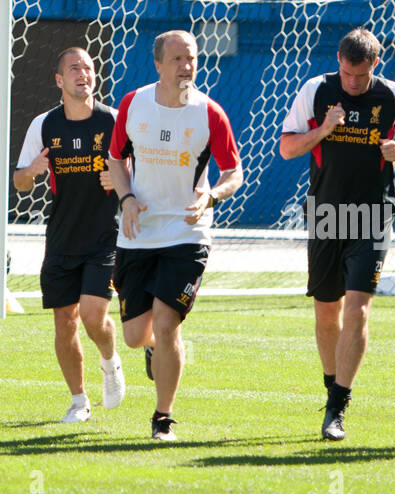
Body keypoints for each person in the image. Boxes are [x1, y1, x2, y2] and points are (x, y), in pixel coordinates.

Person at [280, 28, 395, 441]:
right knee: (327, 312)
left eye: (359, 76)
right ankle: (332, 388)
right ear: (339, 63)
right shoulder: (317, 90)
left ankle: (338, 406)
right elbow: (287, 148)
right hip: (327, 212)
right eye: (345, 73)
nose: (351, 83)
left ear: (373, 66)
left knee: (357, 308)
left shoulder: (393, 95)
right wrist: (324, 129)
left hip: (373, 213)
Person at [107, 30, 242, 441]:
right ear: (158, 64)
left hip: (188, 232)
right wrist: (126, 197)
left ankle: (162, 418)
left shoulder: (209, 113)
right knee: (135, 337)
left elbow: (234, 172)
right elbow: (115, 158)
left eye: (192, 58)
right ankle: (153, 349)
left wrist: (212, 197)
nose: (187, 66)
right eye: (178, 58)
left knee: (167, 324)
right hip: (138, 232)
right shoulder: (133, 104)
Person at [13, 47, 123, 424]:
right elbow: (20, 183)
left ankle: (109, 361)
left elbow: (141, 173)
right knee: (65, 322)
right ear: (59, 80)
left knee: (94, 317)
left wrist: (122, 180)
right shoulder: (44, 125)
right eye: (74, 68)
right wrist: (32, 169)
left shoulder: (113, 121)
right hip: (60, 238)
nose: (83, 73)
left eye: (88, 68)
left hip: (104, 236)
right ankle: (79, 402)